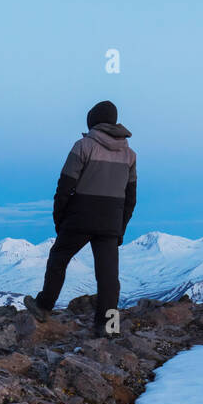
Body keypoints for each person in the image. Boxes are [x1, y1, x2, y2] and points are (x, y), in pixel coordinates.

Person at [31, 100, 136, 336]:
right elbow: (131, 198)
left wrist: (60, 219)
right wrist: (120, 228)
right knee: (109, 276)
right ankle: (108, 326)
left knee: (59, 258)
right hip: (111, 221)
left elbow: (64, 186)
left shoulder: (82, 146)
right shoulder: (129, 155)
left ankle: (43, 307)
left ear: (93, 122)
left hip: (79, 217)